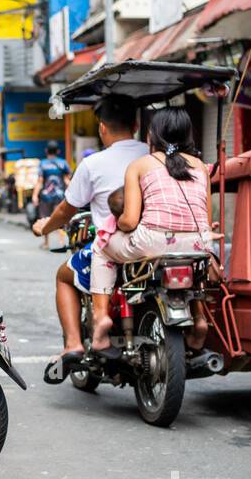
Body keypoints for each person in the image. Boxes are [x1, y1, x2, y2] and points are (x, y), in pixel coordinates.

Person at [31, 95, 149, 369]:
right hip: (156, 243)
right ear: (135, 124)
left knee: (63, 276)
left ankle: (73, 343)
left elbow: (65, 211)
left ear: (102, 128)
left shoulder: (93, 163)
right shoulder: (152, 155)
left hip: (116, 246)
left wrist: (43, 228)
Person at [92, 107, 214, 354]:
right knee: (197, 270)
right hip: (199, 244)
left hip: (153, 242)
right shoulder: (201, 167)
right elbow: (207, 219)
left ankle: (101, 316)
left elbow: (129, 220)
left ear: (152, 135)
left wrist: (120, 226)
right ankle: (200, 318)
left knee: (100, 248)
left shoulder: (140, 165)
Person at [33, 141, 70, 247]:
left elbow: (40, 181)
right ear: (58, 151)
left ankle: (46, 243)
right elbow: (67, 180)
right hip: (60, 196)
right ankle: (62, 242)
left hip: (46, 197)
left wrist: (35, 195)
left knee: (45, 218)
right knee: (60, 218)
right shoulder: (63, 163)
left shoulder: (43, 163)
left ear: (46, 151)